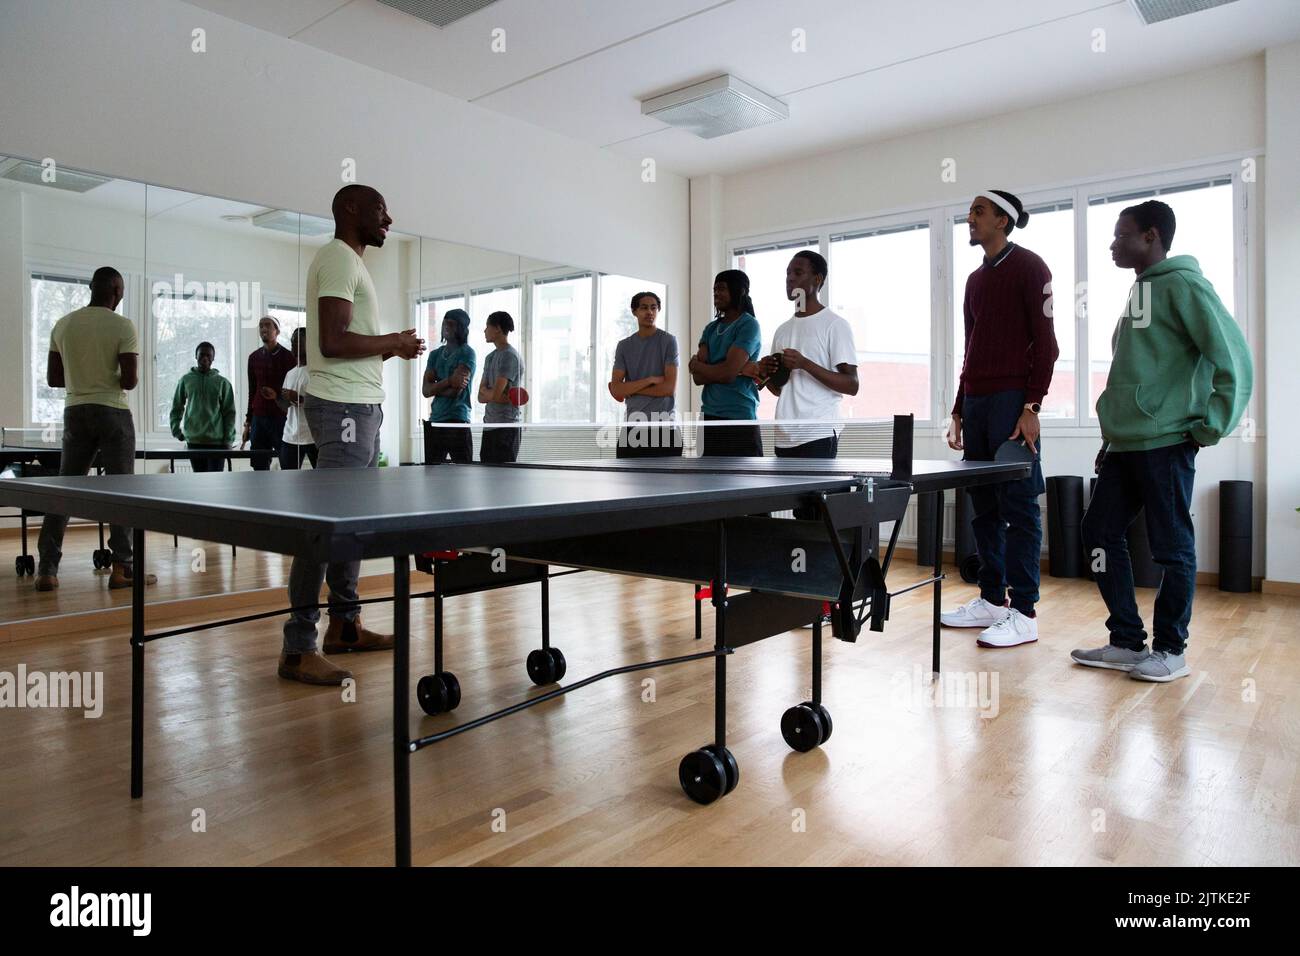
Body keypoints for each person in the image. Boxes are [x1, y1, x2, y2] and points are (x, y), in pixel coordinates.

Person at [1073, 200, 1252, 682]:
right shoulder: (1139, 293)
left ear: (1151, 236)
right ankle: (1128, 641)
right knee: (1099, 534)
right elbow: (1130, 374)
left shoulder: (1185, 286)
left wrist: (1208, 427)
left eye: (1121, 234)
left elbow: (1234, 359)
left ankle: (1172, 649)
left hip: (1167, 444)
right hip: (1125, 446)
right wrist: (1110, 437)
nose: (1113, 243)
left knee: (1172, 547)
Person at [279, 184, 425, 686]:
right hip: (342, 407)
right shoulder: (338, 259)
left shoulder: (354, 264)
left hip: (362, 406)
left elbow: (346, 345)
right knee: (325, 527)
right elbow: (333, 341)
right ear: (350, 209)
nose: (389, 217)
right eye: (381, 209)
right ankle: (298, 646)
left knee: (350, 525)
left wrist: (394, 348)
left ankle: (344, 625)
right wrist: (392, 340)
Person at [942, 189, 1058, 648]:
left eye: (979, 212)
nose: (970, 218)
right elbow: (970, 352)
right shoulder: (974, 281)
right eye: (971, 212)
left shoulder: (1032, 268)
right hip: (977, 404)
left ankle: (1024, 611)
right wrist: (958, 407)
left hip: (1013, 403)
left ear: (1003, 221)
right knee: (984, 509)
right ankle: (992, 600)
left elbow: (1046, 345)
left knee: (1020, 508)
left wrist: (1032, 406)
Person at [35, 266, 155, 592]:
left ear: (92, 287)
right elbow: (129, 381)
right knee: (122, 492)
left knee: (65, 491)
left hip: (75, 412)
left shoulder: (64, 324)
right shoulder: (122, 325)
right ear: (116, 289)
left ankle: (47, 569)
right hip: (113, 412)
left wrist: (83, 377)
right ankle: (123, 569)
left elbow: (54, 379)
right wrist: (105, 378)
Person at [755, 251, 858, 458]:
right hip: (784, 436)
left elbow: (852, 385)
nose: (790, 278)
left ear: (817, 279)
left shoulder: (835, 325)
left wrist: (805, 364)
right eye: (788, 273)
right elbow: (779, 389)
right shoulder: (782, 330)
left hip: (818, 433)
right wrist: (766, 374)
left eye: (798, 272)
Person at [690, 270, 762, 457]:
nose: (716, 294)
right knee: (707, 484)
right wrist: (731, 369)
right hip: (709, 418)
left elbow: (727, 374)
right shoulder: (711, 328)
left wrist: (698, 366)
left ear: (740, 291)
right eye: (714, 290)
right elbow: (698, 379)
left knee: (746, 483)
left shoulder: (749, 325)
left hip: (740, 419)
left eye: (721, 289)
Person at [609, 291, 681, 457]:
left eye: (653, 308)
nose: (649, 312)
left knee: (665, 483)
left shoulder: (669, 341)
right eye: (644, 308)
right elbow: (617, 390)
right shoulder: (624, 346)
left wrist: (630, 389)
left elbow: (668, 388)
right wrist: (650, 380)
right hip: (633, 428)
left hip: (664, 428)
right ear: (634, 311)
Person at [170, 341, 236, 473]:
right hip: (193, 441)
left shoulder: (223, 383)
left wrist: (228, 439)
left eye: (208, 355)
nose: (205, 358)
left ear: (213, 358)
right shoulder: (186, 380)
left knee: (215, 482)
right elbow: (177, 406)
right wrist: (176, 430)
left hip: (217, 443)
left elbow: (229, 413)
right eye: (201, 355)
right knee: (198, 481)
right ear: (196, 356)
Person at [241, 315, 296, 470]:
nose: (264, 328)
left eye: (268, 325)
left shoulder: (289, 357)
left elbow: (293, 391)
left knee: (287, 463)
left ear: (277, 331)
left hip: (281, 418)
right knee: (259, 465)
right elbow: (252, 391)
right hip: (259, 419)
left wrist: (277, 395)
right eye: (261, 325)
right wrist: (248, 423)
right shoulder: (253, 358)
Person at [422, 308, 476, 464]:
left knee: (463, 475)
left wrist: (437, 386)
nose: (446, 327)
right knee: (431, 474)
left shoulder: (467, 353)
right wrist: (449, 380)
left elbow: (455, 391)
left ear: (461, 328)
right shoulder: (435, 354)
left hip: (457, 420)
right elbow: (425, 391)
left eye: (451, 324)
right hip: (435, 420)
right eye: (445, 323)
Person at [478, 310, 524, 463]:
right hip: (489, 427)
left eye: (487, 327)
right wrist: (501, 397)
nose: (484, 331)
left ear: (497, 328)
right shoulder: (489, 357)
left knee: (505, 481)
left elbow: (494, 395)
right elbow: (480, 396)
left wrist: (492, 395)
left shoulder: (509, 356)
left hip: (507, 428)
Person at [277, 327, 316, 469]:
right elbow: (285, 407)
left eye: (298, 340)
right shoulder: (290, 373)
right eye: (292, 341)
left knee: (324, 481)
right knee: (288, 482)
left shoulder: (315, 372)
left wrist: (299, 398)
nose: (293, 344)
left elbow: (321, 406)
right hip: (290, 437)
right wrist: (277, 397)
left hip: (313, 437)